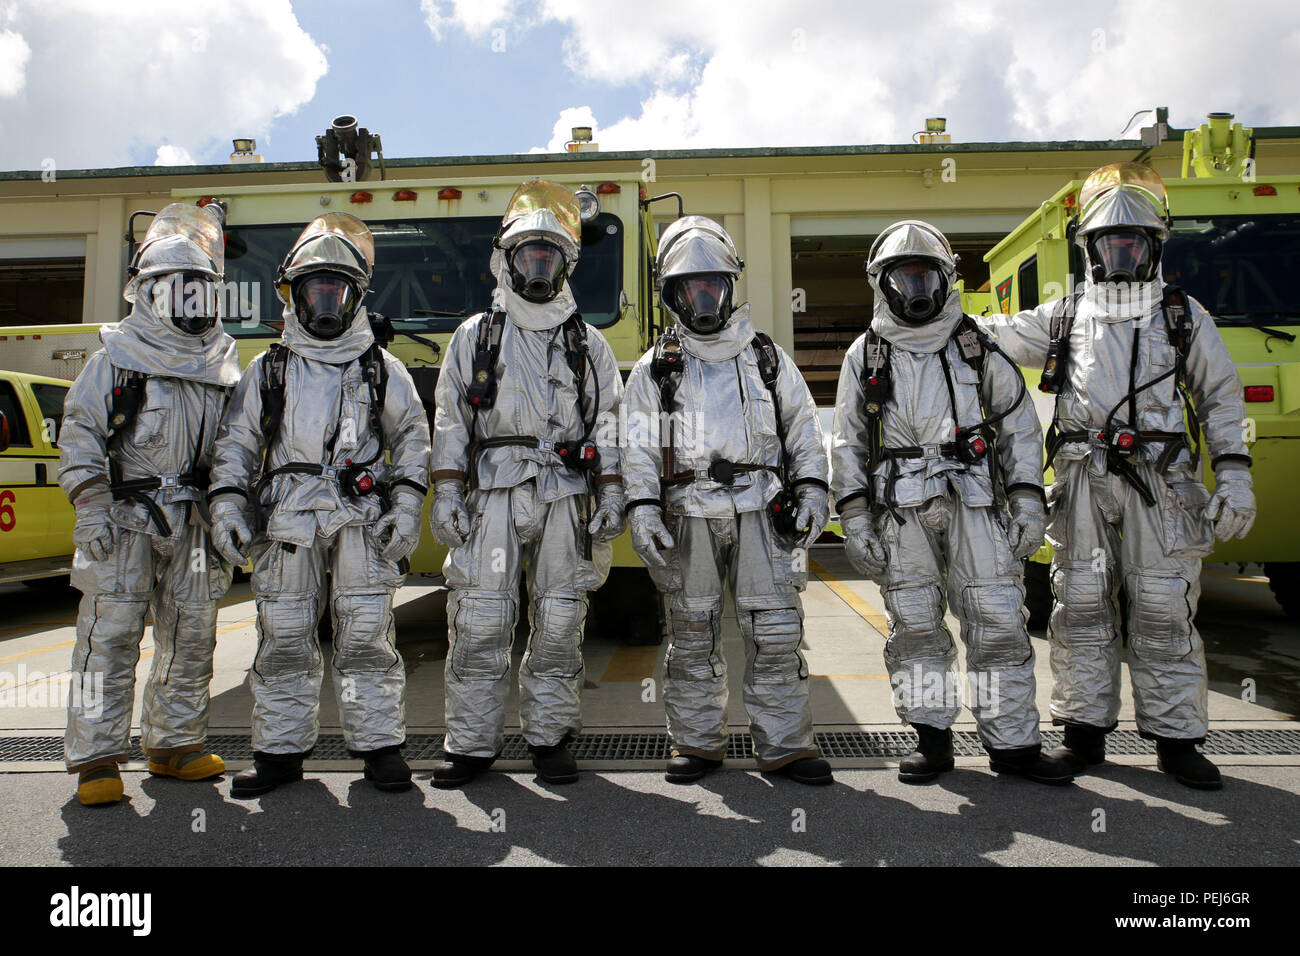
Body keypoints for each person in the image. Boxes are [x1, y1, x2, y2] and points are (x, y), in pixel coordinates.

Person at [979, 164, 1255, 789]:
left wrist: (1235, 475)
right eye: (1111, 244)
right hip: (1081, 479)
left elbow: (1220, 398)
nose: (1122, 255)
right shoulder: (1065, 316)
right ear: (1091, 249)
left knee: (1163, 607)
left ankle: (1177, 739)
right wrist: (923, 318)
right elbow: (986, 334)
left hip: (1163, 482)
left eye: (1134, 243)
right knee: (1078, 606)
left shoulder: (1185, 316)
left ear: (1156, 246)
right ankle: (1083, 733)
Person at [832, 219, 1074, 785]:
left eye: (926, 278)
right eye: (904, 279)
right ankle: (932, 740)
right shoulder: (865, 355)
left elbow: (1016, 424)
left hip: (975, 501)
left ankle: (1013, 745)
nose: (916, 291)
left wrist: (1027, 501)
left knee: (996, 621)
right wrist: (854, 517)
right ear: (883, 284)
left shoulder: (975, 346)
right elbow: (846, 441)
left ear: (945, 281)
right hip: (902, 508)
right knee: (915, 626)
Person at [207, 213, 430, 797]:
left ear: (355, 297)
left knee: (365, 635)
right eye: (315, 290)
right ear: (296, 295)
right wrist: (229, 506)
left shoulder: (382, 369)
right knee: (283, 634)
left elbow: (412, 437)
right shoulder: (271, 370)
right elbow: (237, 443)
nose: (325, 302)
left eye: (336, 291)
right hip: (288, 517)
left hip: (361, 517)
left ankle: (380, 747)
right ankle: (280, 753)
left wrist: (406, 506)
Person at [623, 215, 833, 785]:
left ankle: (787, 745)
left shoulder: (765, 357)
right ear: (673, 294)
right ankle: (696, 744)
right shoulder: (656, 369)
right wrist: (642, 508)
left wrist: (812, 486)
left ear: (729, 286)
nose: (705, 297)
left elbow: (803, 429)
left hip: (760, 509)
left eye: (713, 285)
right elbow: (638, 445)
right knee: (691, 634)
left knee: (776, 630)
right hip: (688, 512)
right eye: (692, 288)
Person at [428, 180, 624, 787]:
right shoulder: (474, 336)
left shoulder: (587, 344)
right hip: (492, 493)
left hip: (565, 492)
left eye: (549, 258)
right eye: (527, 257)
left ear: (565, 265)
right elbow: (450, 418)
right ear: (506, 260)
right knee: (482, 618)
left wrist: (612, 489)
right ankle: (469, 744)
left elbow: (609, 419)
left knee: (562, 618)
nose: (537, 269)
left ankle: (551, 737)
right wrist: (448, 492)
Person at [59, 201, 240, 805]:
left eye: (202, 291)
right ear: (152, 293)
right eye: (181, 291)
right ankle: (96, 757)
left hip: (193, 520)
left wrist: (229, 511)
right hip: (124, 518)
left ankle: (174, 742)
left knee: (191, 632)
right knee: (108, 636)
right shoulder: (116, 359)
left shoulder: (220, 364)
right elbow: (81, 433)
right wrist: (90, 507)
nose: (193, 302)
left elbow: (235, 449)